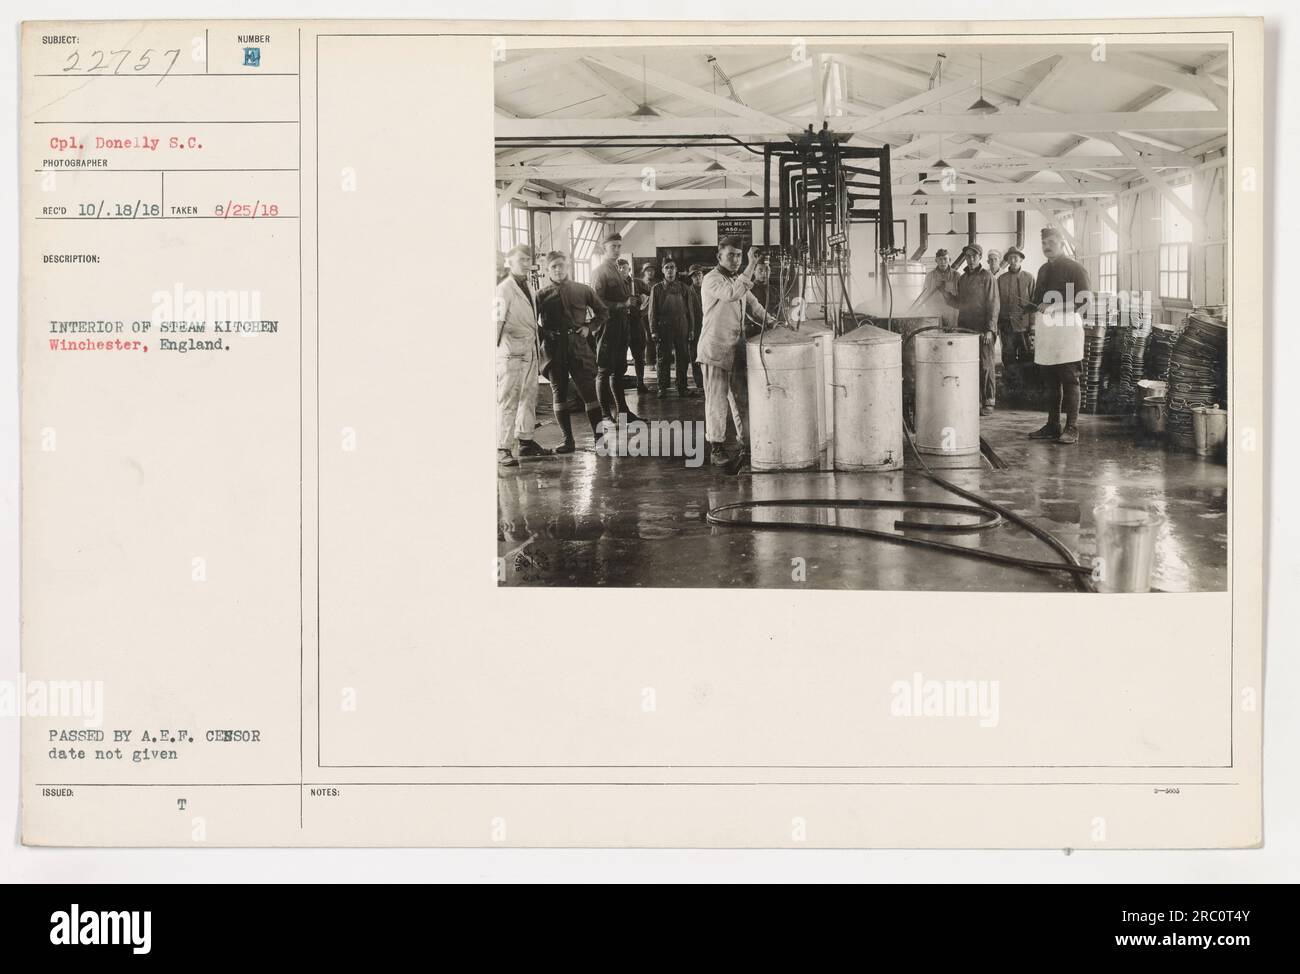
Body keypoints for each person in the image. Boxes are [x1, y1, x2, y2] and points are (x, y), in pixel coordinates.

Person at [696, 237, 780, 466]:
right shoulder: (712, 279)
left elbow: (753, 305)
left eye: (739, 255)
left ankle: (746, 443)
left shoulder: (737, 279)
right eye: (731, 255)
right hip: (715, 349)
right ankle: (716, 448)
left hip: (736, 348)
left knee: (741, 398)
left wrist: (772, 322)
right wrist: (751, 265)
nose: (735, 259)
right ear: (719, 256)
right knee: (717, 401)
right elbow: (732, 293)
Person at [1020, 226, 1092, 445]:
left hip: (1067, 330)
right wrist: (1028, 307)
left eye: (1051, 242)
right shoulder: (1043, 270)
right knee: (1050, 381)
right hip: (1048, 331)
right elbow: (1039, 300)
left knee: (1070, 380)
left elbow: (1084, 301)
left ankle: (1072, 428)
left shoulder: (1075, 268)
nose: (1046, 246)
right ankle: (1053, 426)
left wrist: (1055, 307)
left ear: (1061, 244)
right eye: (1044, 243)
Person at [535, 251, 608, 453]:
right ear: (547, 270)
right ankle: (568, 441)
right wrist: (545, 334)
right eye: (554, 267)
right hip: (554, 351)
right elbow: (531, 321)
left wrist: (589, 328)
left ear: (568, 266)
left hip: (578, 348)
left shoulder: (582, 290)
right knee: (559, 394)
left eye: (561, 265)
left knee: (588, 392)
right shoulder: (540, 295)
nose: (558, 270)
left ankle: (600, 439)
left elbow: (603, 312)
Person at [494, 244, 551, 466]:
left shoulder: (527, 286)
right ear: (510, 262)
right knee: (508, 400)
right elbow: (495, 323)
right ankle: (502, 447)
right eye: (522, 260)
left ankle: (525, 441)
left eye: (528, 260)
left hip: (528, 350)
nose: (526, 264)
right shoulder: (502, 290)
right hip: (510, 353)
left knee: (528, 397)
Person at [588, 233, 640, 425]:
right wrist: (622, 304)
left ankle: (623, 413)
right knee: (604, 370)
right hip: (606, 328)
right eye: (613, 246)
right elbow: (597, 302)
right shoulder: (600, 272)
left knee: (618, 370)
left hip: (620, 326)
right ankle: (604, 415)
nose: (617, 250)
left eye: (619, 246)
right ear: (604, 248)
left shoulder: (617, 271)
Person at [943, 244, 1000, 416]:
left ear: (980, 257)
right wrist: (947, 297)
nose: (971, 259)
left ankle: (989, 401)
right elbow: (960, 304)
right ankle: (974, 400)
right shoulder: (963, 278)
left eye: (974, 256)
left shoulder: (987, 277)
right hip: (965, 328)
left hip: (983, 329)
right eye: (968, 256)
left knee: (985, 365)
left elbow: (994, 304)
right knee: (968, 365)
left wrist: (990, 330)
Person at [647, 257, 695, 399]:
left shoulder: (684, 288)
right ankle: (662, 388)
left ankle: (682, 387)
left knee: (683, 357)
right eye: (667, 267)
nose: (670, 270)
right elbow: (652, 311)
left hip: (682, 325)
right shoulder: (657, 288)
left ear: (676, 270)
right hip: (664, 326)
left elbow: (690, 311)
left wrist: (691, 329)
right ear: (662, 271)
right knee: (663, 357)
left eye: (672, 267)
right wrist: (653, 330)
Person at [996, 246, 1035, 365]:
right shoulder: (1001, 279)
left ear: (1021, 259)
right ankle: (1010, 378)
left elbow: (1034, 303)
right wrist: (997, 325)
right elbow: (997, 304)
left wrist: (1033, 325)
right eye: (1010, 258)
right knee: (1008, 360)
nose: (1012, 261)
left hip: (1024, 326)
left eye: (1015, 258)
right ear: (1007, 260)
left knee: (1026, 359)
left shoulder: (1029, 278)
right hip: (1007, 326)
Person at [917, 248, 960, 330]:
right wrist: (928, 313)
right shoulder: (930, 276)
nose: (942, 262)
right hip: (935, 314)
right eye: (940, 259)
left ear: (949, 260)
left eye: (945, 259)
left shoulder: (956, 276)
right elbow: (925, 296)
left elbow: (960, 297)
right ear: (936, 260)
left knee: (952, 336)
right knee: (936, 334)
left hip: (952, 316)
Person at [634, 263, 657, 392]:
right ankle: (649, 362)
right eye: (648, 270)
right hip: (641, 314)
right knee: (646, 339)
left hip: (651, 313)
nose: (650, 272)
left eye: (652, 270)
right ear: (644, 272)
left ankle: (653, 361)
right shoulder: (639, 283)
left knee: (652, 338)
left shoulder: (655, 285)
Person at [686, 264, 706, 391]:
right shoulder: (688, 291)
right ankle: (699, 383)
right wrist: (690, 329)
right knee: (695, 355)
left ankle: (708, 380)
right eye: (694, 276)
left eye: (699, 274)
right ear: (691, 278)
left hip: (708, 326)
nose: (697, 278)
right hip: (695, 327)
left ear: (703, 275)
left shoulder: (709, 288)